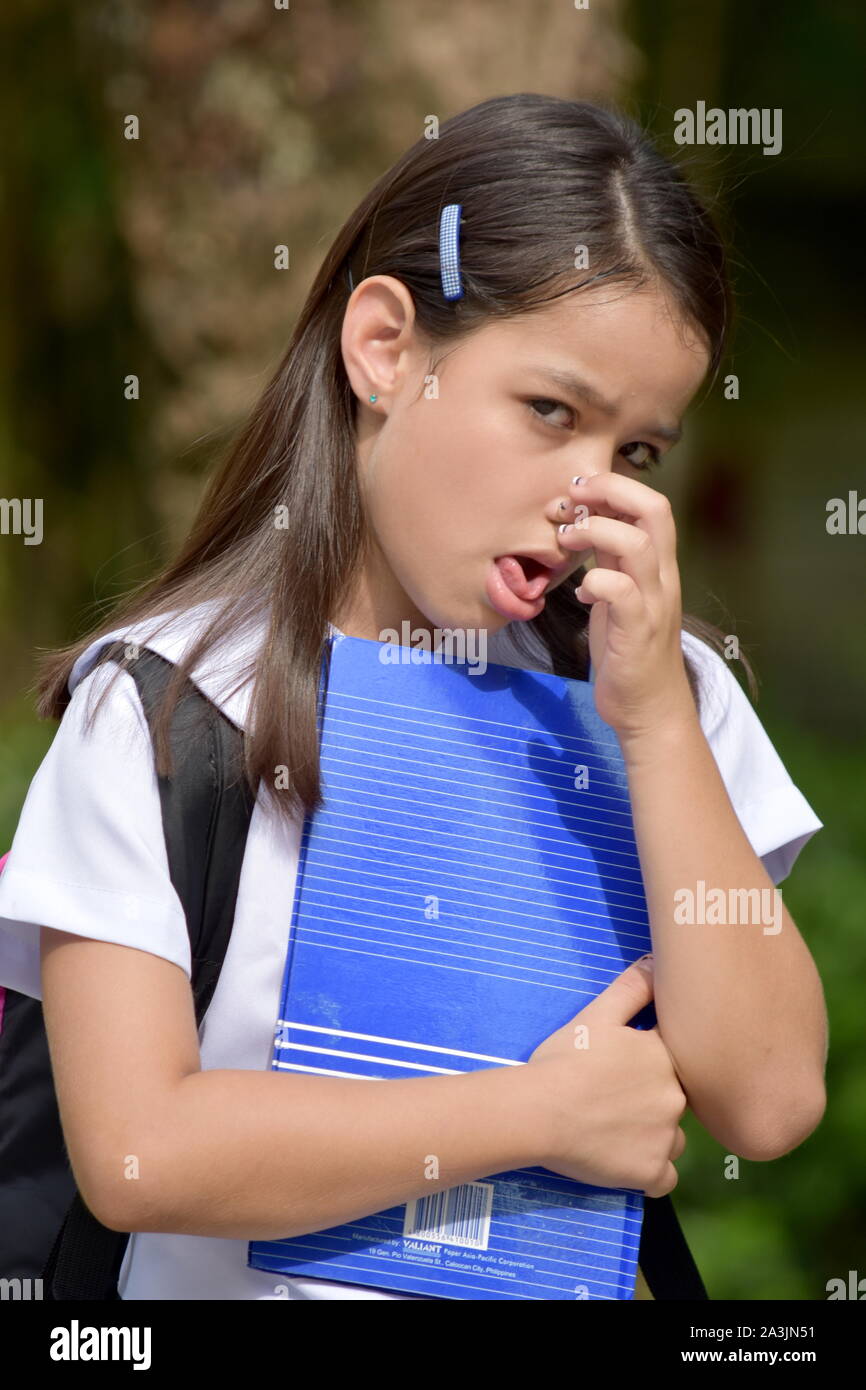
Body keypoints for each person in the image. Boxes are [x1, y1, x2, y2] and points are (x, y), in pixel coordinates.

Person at [0, 94, 827, 1301]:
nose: (588, 492)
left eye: (636, 450)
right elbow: (139, 1154)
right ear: (384, 349)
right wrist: (540, 1113)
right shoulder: (171, 705)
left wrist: (651, 726)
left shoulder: (659, 696)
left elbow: (767, 1099)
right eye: (550, 412)